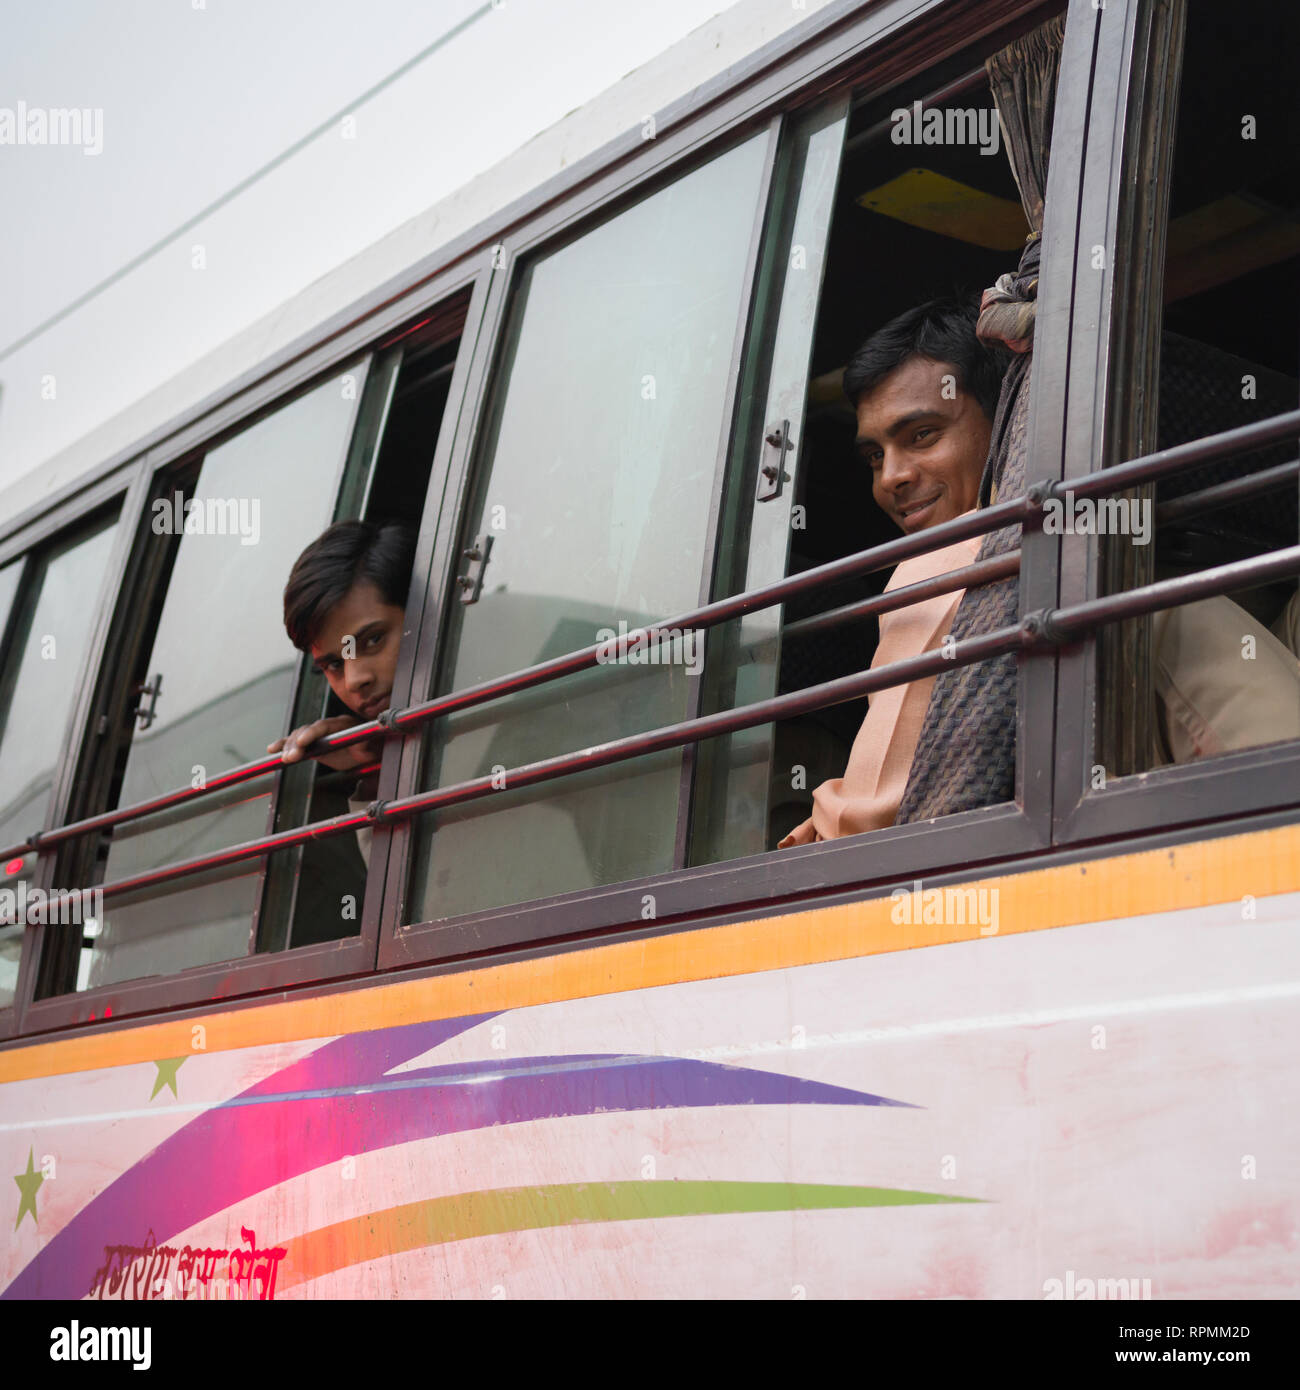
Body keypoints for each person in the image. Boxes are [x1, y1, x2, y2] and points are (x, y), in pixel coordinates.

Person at [781, 296, 1300, 848]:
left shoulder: (948, 561)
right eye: (874, 457)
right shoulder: (1195, 576)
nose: (892, 478)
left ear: (1006, 418)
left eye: (922, 435)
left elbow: (867, 824)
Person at [271, 519, 416, 858]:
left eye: (373, 640)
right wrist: (374, 766)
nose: (354, 680)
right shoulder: (370, 758)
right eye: (334, 664)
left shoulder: (516, 702)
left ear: (425, 613)